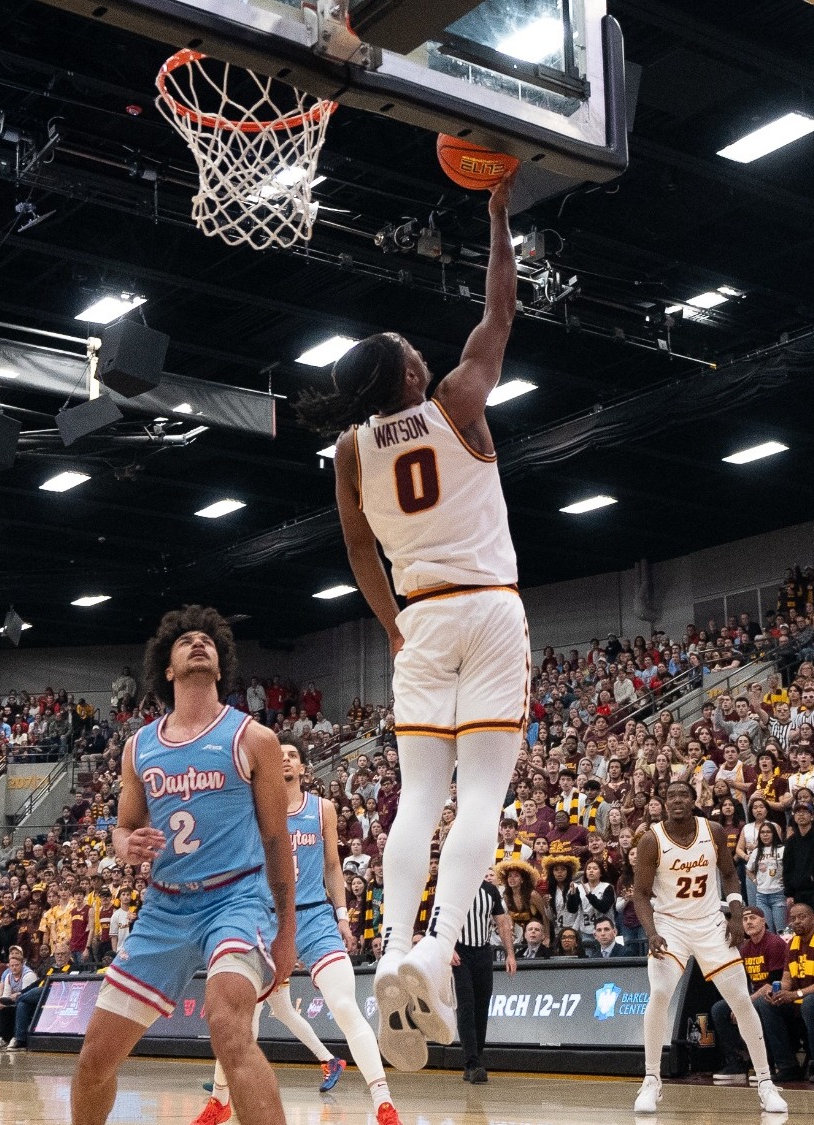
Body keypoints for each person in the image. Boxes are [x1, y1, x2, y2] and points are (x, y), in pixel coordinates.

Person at [305, 172, 526, 1070]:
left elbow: (360, 552)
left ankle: (391, 947)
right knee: (481, 798)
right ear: (408, 372)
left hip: (422, 624)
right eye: (410, 349)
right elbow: (500, 312)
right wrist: (499, 221)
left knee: (416, 800)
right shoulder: (458, 403)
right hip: (490, 611)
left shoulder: (351, 449)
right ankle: (435, 953)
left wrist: (392, 624)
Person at [81, 608, 295, 1125]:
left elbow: (275, 839)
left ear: (220, 667)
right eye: (185, 642)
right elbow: (124, 827)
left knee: (228, 1028)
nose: (198, 643)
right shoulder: (139, 747)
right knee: (94, 1059)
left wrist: (287, 932)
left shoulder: (254, 739)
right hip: (164, 908)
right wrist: (124, 845)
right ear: (168, 669)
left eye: (208, 641)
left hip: (235, 899)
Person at [203, 744, 397, 1122]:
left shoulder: (321, 808)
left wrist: (342, 915)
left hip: (314, 918)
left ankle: (384, 1103)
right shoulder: (255, 811)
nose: (285, 758)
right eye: (279, 755)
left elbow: (332, 867)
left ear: (304, 767)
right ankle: (221, 1100)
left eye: (292, 754)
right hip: (268, 921)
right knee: (242, 1017)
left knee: (344, 1006)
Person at [630, 779, 786, 1113]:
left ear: (693, 800)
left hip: (710, 924)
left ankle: (765, 1082)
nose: (676, 801)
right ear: (663, 803)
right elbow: (641, 894)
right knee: (659, 994)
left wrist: (735, 912)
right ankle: (651, 1080)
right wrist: (652, 931)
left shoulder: (713, 830)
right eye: (670, 796)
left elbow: (730, 874)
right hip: (670, 925)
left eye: (682, 795)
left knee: (742, 1000)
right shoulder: (650, 840)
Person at [710, 906, 791, 1083]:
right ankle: (738, 1062)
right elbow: (742, 983)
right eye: (745, 919)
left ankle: (772, 1065)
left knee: (759, 1005)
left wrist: (745, 1003)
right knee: (719, 1009)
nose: (748, 922)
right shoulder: (745, 949)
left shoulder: (774, 943)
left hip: (775, 994)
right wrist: (738, 1003)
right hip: (754, 996)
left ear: (764, 922)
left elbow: (774, 983)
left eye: (753, 918)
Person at [452, 867, 515, 1085]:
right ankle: (473, 1063)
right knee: (466, 1005)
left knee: (481, 1006)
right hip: (460, 951)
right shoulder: (453, 888)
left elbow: (502, 922)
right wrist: (447, 947)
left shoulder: (490, 890)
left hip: (483, 951)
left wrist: (510, 954)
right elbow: (440, 920)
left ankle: (475, 1058)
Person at [770, 900, 814, 1083]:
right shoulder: (792, 944)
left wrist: (797, 994)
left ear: (813, 919)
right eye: (793, 918)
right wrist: (777, 992)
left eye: (802, 917)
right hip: (799, 996)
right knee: (765, 1005)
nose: (796, 922)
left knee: (810, 1004)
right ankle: (787, 1065)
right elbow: (787, 978)